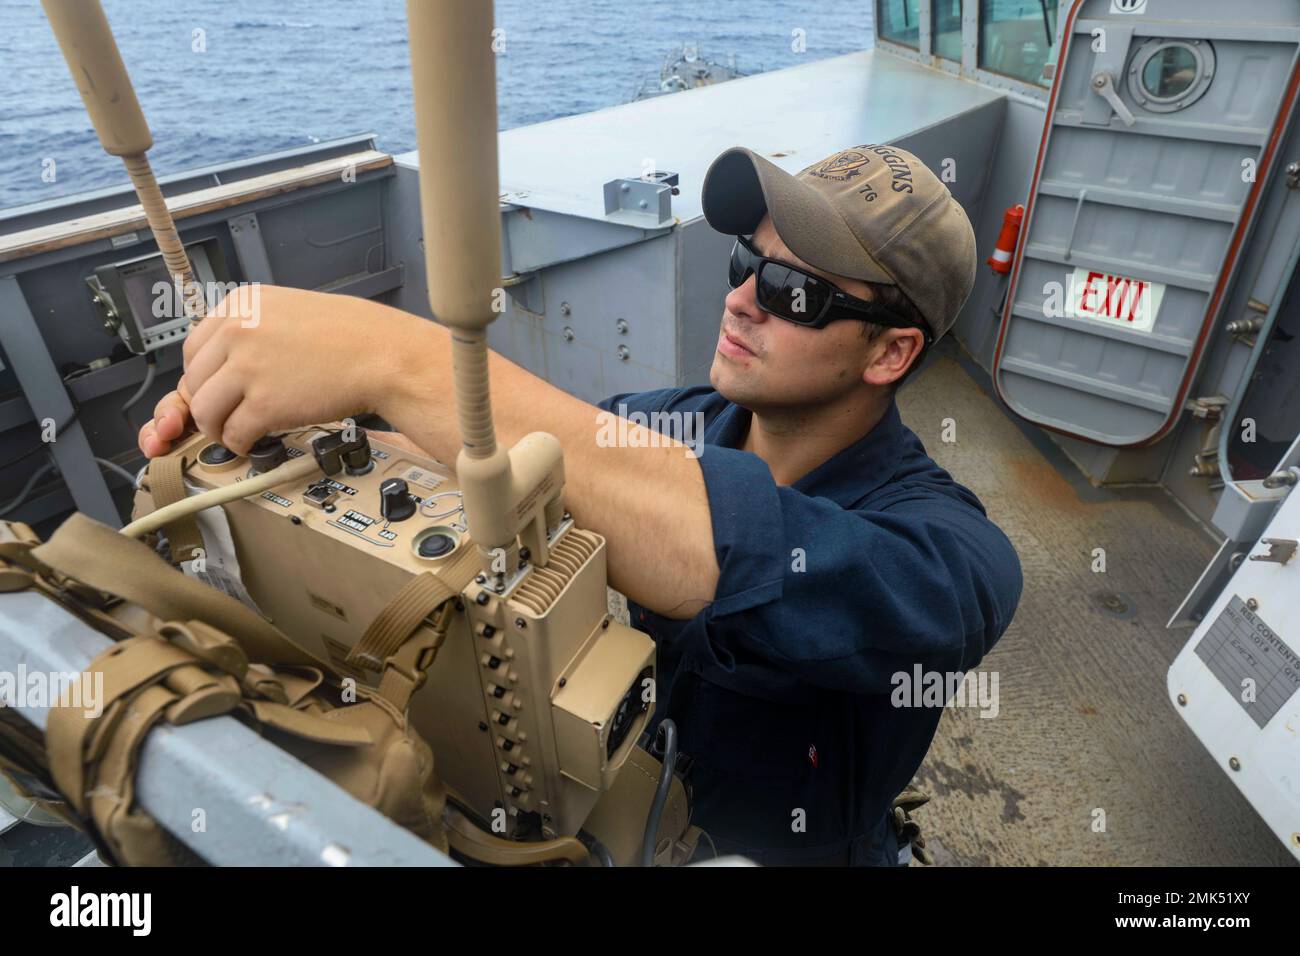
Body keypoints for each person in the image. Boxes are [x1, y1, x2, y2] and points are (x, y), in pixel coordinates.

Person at [139, 144, 1022, 866]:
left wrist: (398, 357)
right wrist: (309, 435)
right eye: (745, 261)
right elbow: (531, 465)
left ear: (889, 353)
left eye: (793, 292)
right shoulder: (675, 423)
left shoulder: (950, 560)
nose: (741, 299)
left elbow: (714, 544)